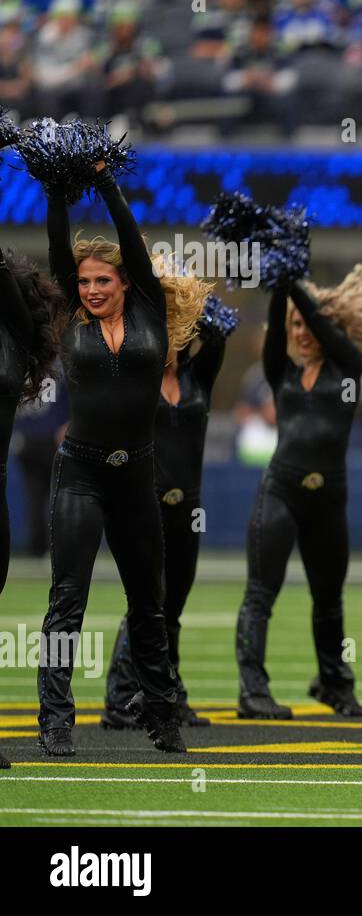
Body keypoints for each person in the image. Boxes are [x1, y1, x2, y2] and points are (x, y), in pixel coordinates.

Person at [37, 162, 201, 756]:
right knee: (66, 601)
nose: (91, 290)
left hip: (136, 475)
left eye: (102, 280)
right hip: (80, 471)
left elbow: (132, 240)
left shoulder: (150, 308)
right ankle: (55, 720)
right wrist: (56, 192)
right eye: (83, 283)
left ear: (124, 281)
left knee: (148, 604)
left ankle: (161, 718)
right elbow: (58, 253)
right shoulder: (72, 315)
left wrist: (106, 183)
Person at [237, 260, 362, 720]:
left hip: (329, 499)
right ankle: (253, 690)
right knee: (261, 593)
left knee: (329, 598)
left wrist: (294, 279)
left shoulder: (349, 370)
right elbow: (281, 325)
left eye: (308, 323)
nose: (300, 331)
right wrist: (282, 281)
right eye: (294, 324)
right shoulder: (280, 372)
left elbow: (321, 324)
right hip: (280, 492)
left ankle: (335, 684)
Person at [103, 289, 228, 729]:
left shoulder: (199, 377)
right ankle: (120, 697)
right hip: (145, 503)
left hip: (189, 507)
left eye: (176, 327)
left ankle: (168, 694)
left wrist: (183, 294)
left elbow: (219, 329)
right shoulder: (133, 375)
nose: (168, 335)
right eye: (161, 325)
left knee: (172, 605)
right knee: (147, 602)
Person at [1, 249, 63, 594]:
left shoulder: (21, 348)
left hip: (42, 441)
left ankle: (45, 547)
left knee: (47, 496)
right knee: (37, 496)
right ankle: (40, 546)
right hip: (30, 442)